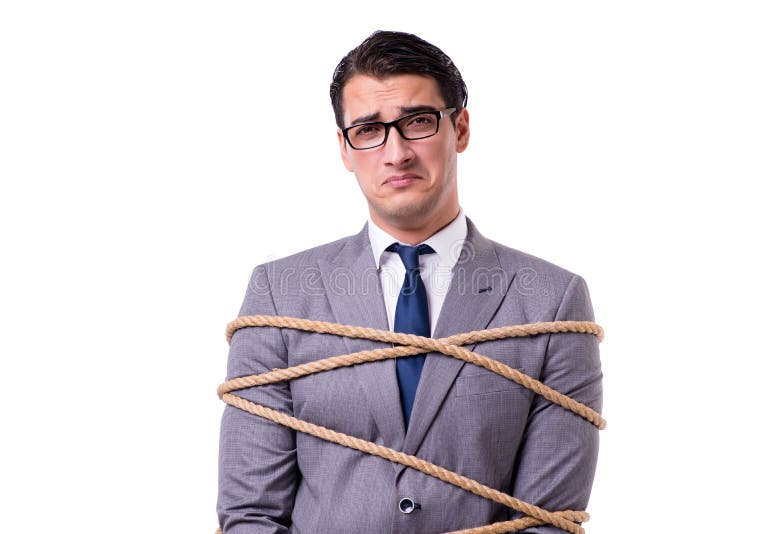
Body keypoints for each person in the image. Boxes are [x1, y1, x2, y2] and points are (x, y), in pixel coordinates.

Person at [217, 30, 603, 534]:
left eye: (417, 122)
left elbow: (547, 523)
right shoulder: (279, 292)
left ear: (460, 128)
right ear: (344, 146)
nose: (395, 153)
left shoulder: (553, 302)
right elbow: (250, 516)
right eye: (368, 130)